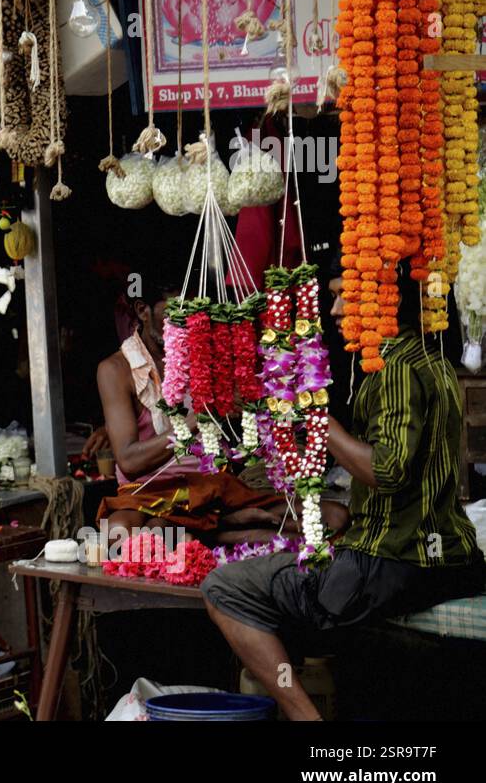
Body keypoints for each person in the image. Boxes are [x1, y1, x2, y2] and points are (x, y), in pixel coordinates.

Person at [202, 258, 486, 720]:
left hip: (392, 563)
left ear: (382, 302)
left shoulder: (393, 366)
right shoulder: (431, 357)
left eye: (343, 296)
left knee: (224, 587)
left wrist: (314, 412)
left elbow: (388, 470)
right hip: (450, 559)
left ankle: (304, 716)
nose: (332, 310)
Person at [94, 275, 346, 542]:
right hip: (147, 495)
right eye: (177, 313)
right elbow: (130, 462)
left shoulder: (208, 353)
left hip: (212, 491)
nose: (189, 324)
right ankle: (225, 528)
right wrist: (200, 417)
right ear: (142, 310)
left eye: (195, 314)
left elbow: (243, 427)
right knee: (119, 533)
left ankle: (213, 527)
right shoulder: (116, 370)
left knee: (334, 517)